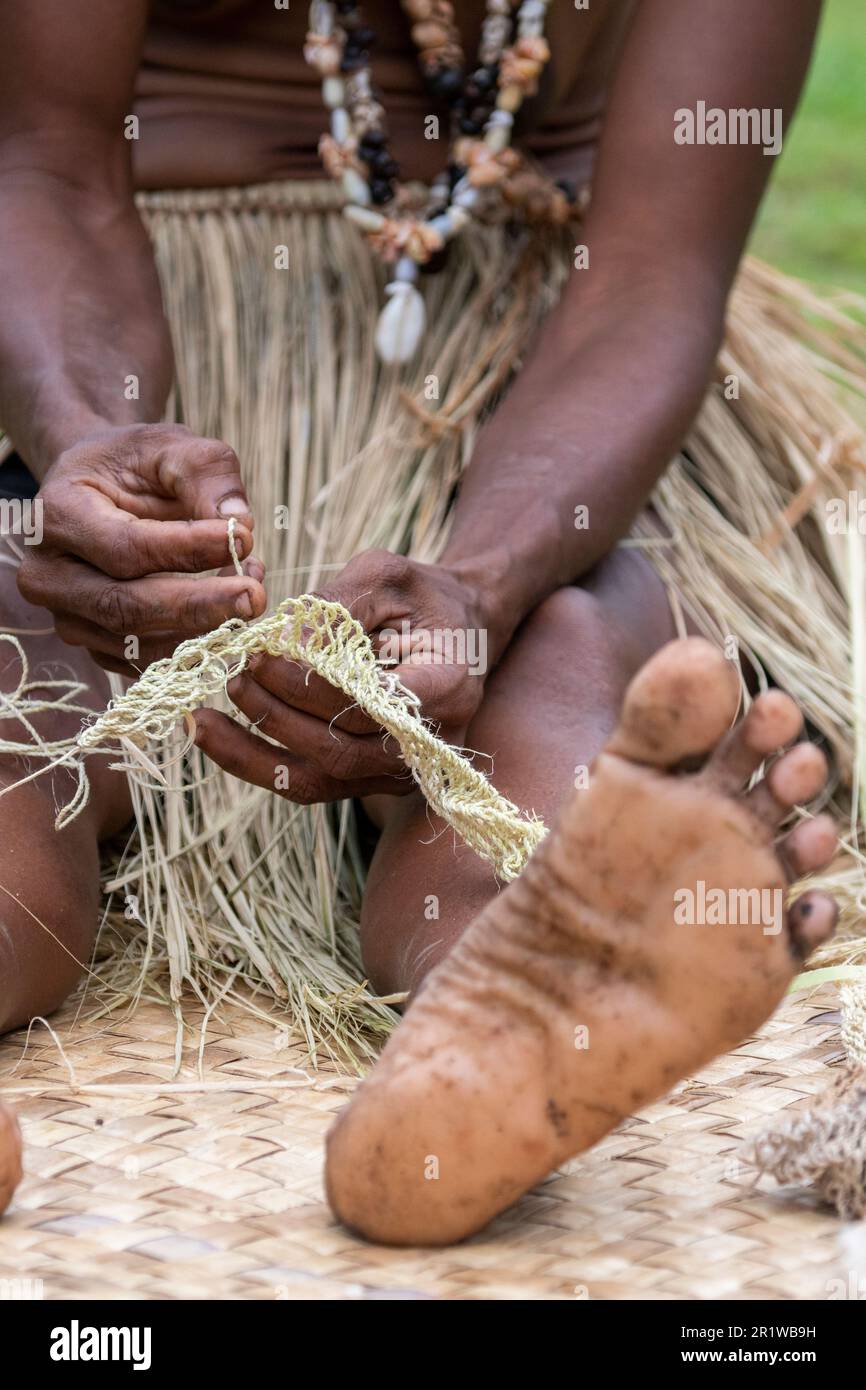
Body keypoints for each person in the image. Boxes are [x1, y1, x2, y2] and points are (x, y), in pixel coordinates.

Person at [0, 0, 848, 1234]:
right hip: (127, 350)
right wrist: (85, 441)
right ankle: (507, 977)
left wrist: (484, 582)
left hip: (551, 404)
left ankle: (515, 1004)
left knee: (557, 660)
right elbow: (44, 161)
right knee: (30, 663)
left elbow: (652, 274)